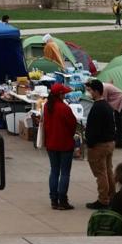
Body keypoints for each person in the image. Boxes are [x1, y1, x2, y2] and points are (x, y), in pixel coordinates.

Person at [42, 82, 78, 210]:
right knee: (65, 173)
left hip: (51, 144)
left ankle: (53, 199)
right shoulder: (64, 108)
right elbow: (73, 125)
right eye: (64, 93)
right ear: (60, 94)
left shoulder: (47, 106)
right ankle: (63, 200)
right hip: (65, 144)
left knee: (54, 171)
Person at [84, 79, 116, 209]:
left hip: (99, 145)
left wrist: (90, 143)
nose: (89, 93)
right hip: (109, 143)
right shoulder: (107, 106)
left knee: (100, 173)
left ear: (97, 91)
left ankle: (103, 199)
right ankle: (112, 196)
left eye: (90, 90)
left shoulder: (97, 107)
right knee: (108, 171)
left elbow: (94, 129)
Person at [99, 80, 122, 151]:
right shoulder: (104, 86)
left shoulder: (104, 87)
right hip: (117, 105)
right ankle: (119, 142)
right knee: (118, 123)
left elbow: (103, 102)